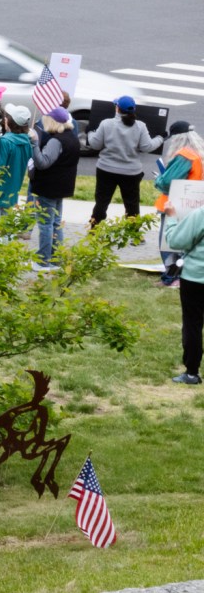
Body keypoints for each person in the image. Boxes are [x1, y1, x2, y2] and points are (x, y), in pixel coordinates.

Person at [87, 96, 163, 227]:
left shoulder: (106, 123)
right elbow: (147, 146)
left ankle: (94, 229)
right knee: (132, 204)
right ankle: (134, 234)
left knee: (102, 202)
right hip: (131, 172)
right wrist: (160, 138)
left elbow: (95, 144)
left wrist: (90, 133)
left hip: (106, 169)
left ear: (117, 108)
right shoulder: (140, 126)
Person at [29, 107, 82, 269]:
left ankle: (43, 260)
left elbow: (43, 162)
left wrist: (34, 144)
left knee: (45, 224)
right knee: (56, 223)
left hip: (48, 187)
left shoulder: (55, 141)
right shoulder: (72, 138)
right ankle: (56, 258)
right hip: (62, 186)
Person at [152, 122, 203, 285]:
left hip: (174, 205)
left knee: (169, 243)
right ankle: (180, 275)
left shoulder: (184, 155)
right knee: (187, 244)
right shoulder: (198, 153)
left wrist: (158, 179)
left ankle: (171, 277)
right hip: (193, 203)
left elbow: (166, 183)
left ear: (177, 138)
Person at [165, 200, 204, 384]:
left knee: (192, 323)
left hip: (196, 276)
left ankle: (191, 372)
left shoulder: (200, 214)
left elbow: (176, 240)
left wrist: (171, 218)